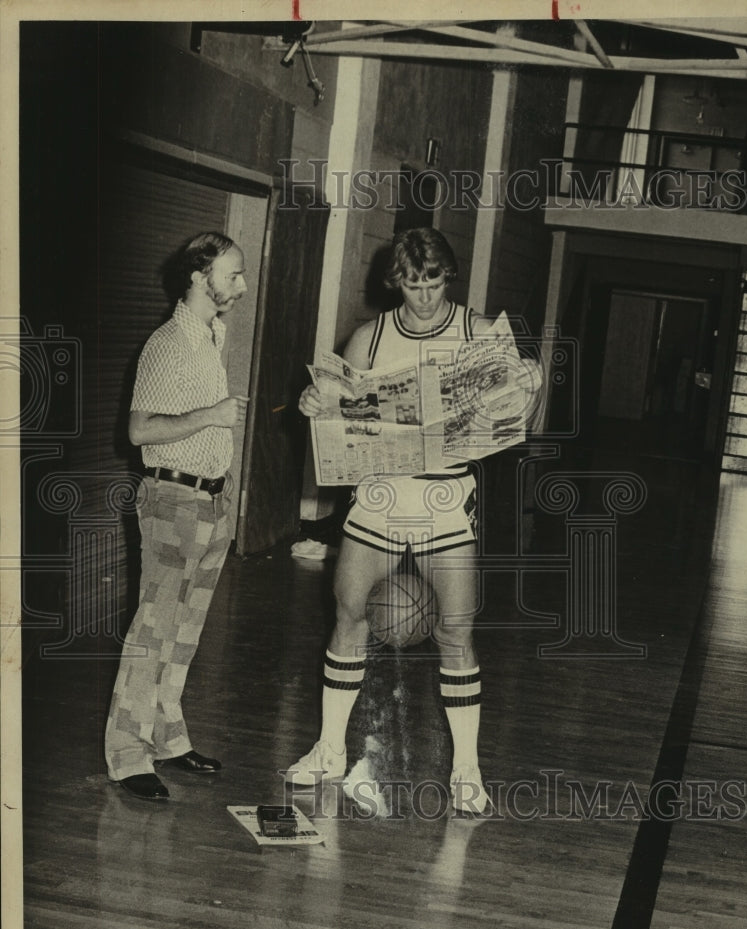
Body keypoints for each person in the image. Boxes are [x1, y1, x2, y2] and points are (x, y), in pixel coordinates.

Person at [286, 227, 542, 814]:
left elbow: (524, 414)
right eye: (411, 284)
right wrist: (314, 404)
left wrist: (531, 383)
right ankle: (328, 749)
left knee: (457, 631)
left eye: (434, 283)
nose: (424, 297)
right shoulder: (369, 338)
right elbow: (330, 410)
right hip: (379, 495)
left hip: (445, 498)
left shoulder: (478, 333)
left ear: (447, 278)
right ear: (394, 281)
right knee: (348, 613)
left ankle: (467, 771)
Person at [105, 232, 249, 801]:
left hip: (210, 501)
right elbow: (140, 431)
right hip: (171, 502)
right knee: (153, 631)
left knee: (183, 635)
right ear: (199, 276)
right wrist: (209, 414)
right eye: (232, 275)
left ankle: (167, 738)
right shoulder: (169, 344)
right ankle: (127, 756)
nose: (241, 285)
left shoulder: (212, 335)